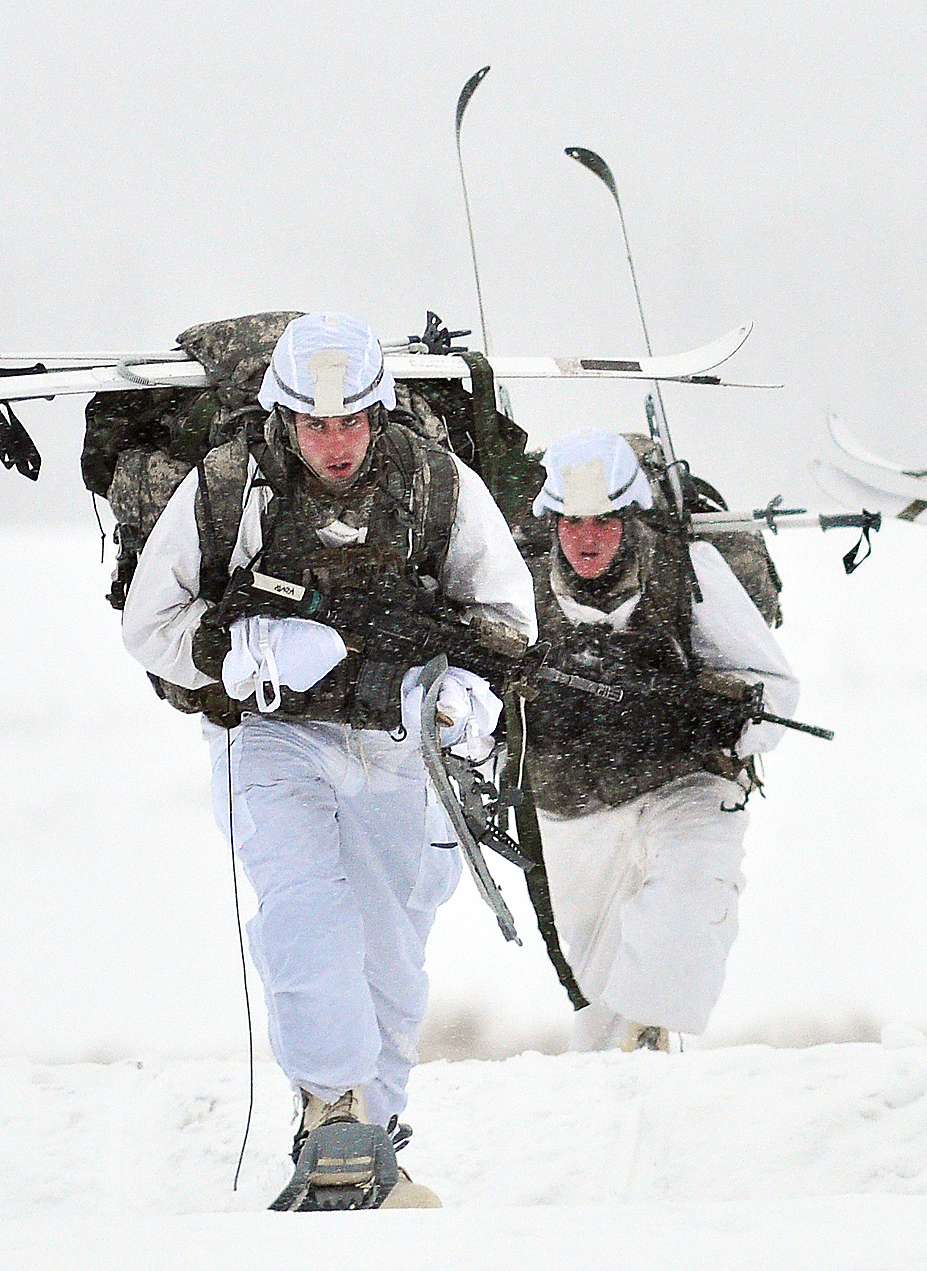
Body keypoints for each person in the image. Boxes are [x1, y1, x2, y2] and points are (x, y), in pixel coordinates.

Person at [122, 312, 536, 1209]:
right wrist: (244, 651)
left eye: (352, 421)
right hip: (268, 736)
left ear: (381, 412)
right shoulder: (227, 487)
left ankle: (370, 1135)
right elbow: (149, 625)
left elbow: (507, 612)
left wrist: (465, 691)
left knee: (392, 949)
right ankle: (329, 1109)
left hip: (395, 740)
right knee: (306, 910)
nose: (335, 441)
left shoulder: (437, 483)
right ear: (284, 413)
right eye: (317, 422)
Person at [520, 430, 800, 1053]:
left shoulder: (688, 571)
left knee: (694, 892)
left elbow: (777, 694)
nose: (587, 540)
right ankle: (606, 1095)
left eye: (604, 522)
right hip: (570, 798)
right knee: (595, 977)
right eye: (571, 523)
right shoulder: (519, 585)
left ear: (629, 517)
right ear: (550, 521)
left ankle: (651, 1032)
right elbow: (476, 700)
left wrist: (705, 717)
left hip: (685, 777)